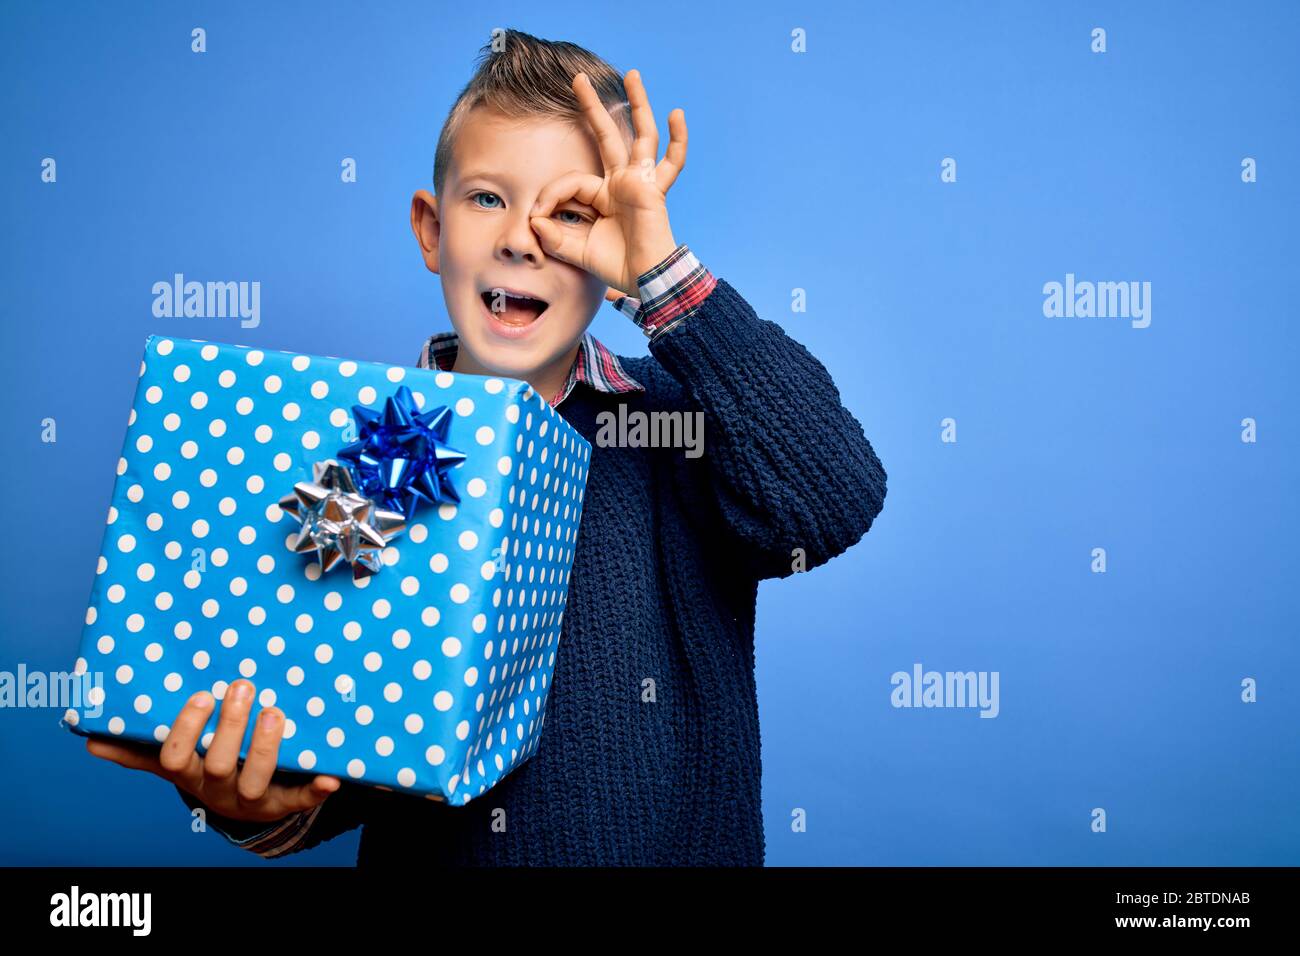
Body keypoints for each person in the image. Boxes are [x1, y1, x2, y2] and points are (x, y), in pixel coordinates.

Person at [87, 28, 887, 866]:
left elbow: (830, 497)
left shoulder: (679, 421)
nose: (521, 239)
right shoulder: (363, 461)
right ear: (431, 231)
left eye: (570, 212)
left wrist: (657, 272)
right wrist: (255, 802)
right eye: (487, 199)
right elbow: (345, 738)